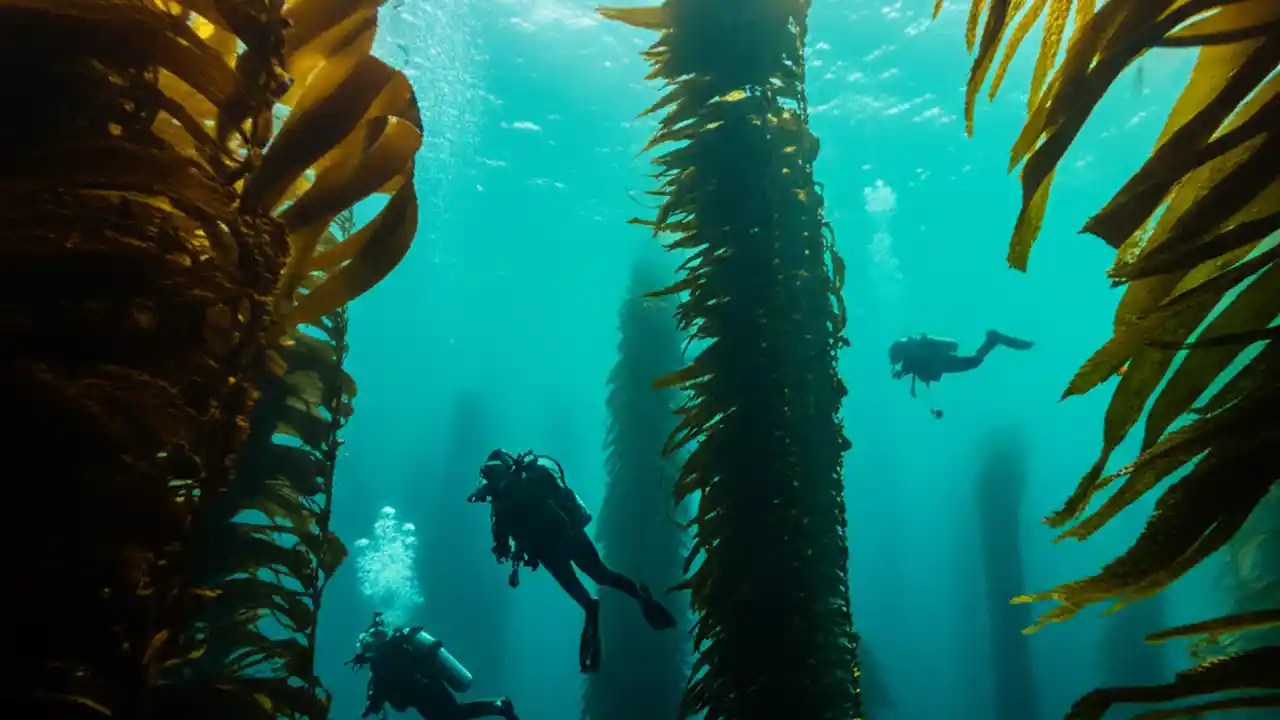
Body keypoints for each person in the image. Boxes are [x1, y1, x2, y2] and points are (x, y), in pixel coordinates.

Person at [467, 448, 677, 673]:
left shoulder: (507, 498)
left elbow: (502, 540)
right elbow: (508, 533)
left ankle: (601, 608)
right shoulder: (521, 485)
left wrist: (509, 548)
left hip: (551, 549)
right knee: (601, 575)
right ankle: (636, 596)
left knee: (585, 587)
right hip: (568, 537)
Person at [346, 612, 519, 720]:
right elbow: (377, 693)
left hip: (427, 693)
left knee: (455, 714)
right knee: (456, 713)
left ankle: (498, 705)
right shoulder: (388, 657)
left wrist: (369, 708)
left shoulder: (380, 665)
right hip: (428, 690)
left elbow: (376, 693)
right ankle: (497, 706)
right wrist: (369, 708)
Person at [888, 329, 1034, 417]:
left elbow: (913, 367)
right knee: (973, 362)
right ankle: (992, 340)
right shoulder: (910, 357)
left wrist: (902, 373)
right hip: (940, 363)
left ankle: (992, 339)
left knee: (973, 362)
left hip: (941, 362)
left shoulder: (910, 357)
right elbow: (912, 369)